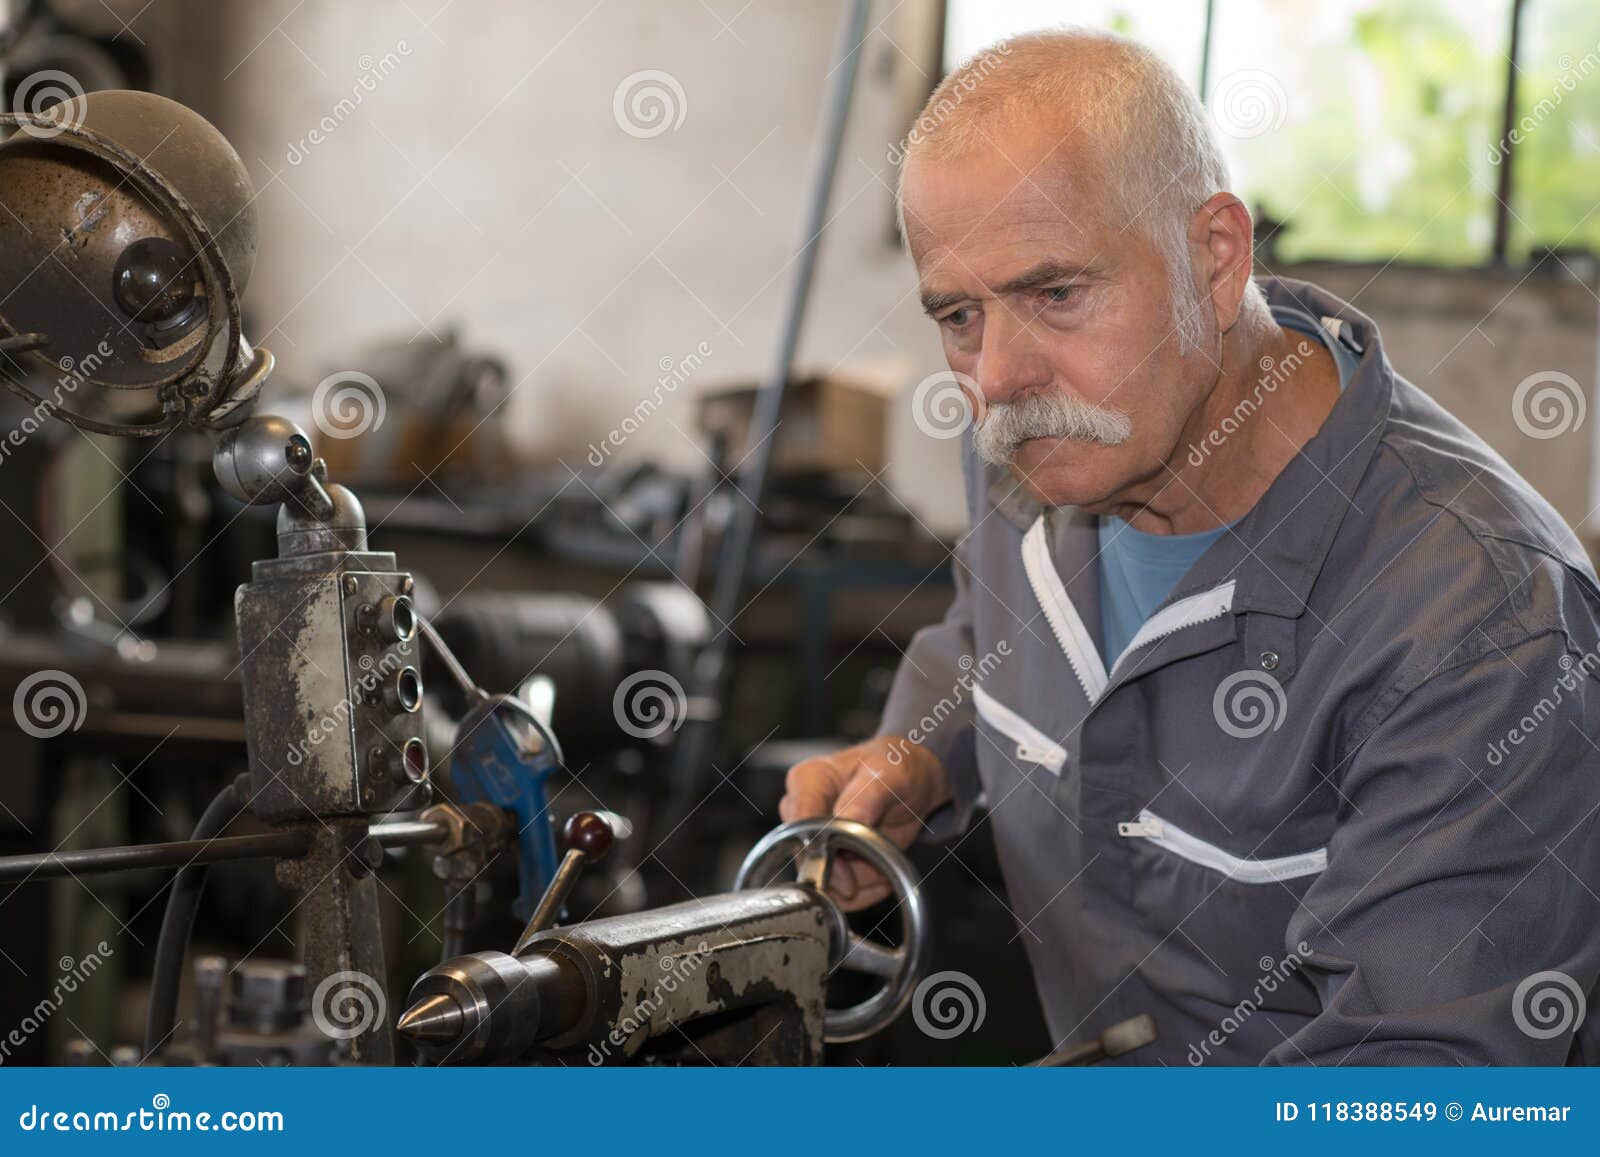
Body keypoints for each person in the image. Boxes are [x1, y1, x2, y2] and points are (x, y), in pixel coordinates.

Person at [780, 28, 1600, 1065]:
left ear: (1213, 259)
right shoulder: (1041, 445)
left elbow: (1420, 1098)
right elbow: (989, 632)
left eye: (1056, 293)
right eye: (958, 313)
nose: (996, 377)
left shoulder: (1479, 623)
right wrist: (919, 756)